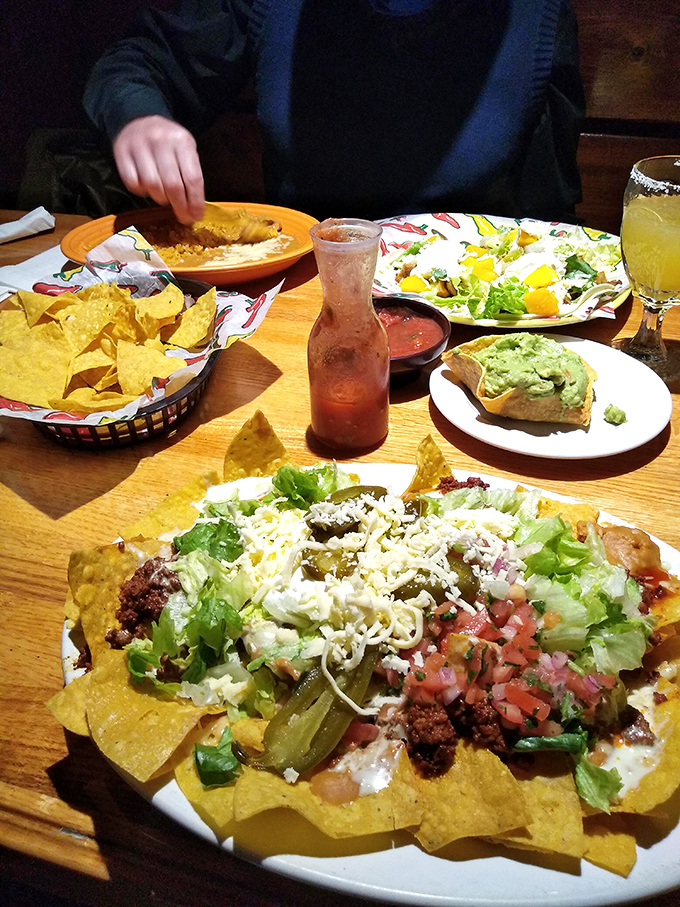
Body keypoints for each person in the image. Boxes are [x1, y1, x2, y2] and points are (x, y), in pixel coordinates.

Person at [84, 0, 585, 225]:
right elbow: (140, 59)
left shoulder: (537, 14)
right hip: (304, 294)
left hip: (467, 314)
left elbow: (551, 218)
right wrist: (138, 114)